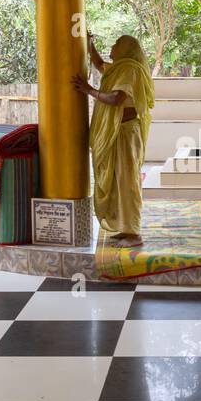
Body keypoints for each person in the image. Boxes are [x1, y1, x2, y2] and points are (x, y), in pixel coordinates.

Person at [72, 34, 154, 246]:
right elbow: (99, 64)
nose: (113, 45)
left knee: (127, 183)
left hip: (125, 134)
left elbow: (117, 98)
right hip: (118, 134)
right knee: (118, 182)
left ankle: (134, 234)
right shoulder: (120, 68)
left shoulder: (130, 69)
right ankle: (124, 229)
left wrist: (89, 90)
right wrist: (89, 46)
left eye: (116, 43)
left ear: (127, 49)